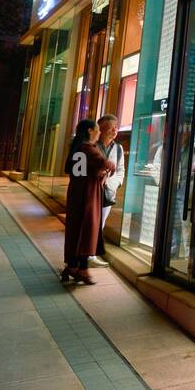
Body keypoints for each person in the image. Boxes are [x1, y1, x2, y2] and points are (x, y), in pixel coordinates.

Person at [61, 119, 115, 285]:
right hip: (88, 195)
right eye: (97, 130)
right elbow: (109, 165)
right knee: (88, 229)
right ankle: (83, 270)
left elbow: (70, 169)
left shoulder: (76, 147)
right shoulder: (89, 148)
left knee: (75, 229)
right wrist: (104, 170)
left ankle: (71, 266)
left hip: (76, 193)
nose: (99, 133)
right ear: (90, 131)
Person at [92, 114, 125, 268]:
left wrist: (114, 184)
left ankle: (91, 254)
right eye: (110, 127)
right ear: (101, 129)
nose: (114, 130)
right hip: (92, 191)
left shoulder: (118, 148)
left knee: (101, 223)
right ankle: (88, 254)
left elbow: (120, 171)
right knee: (91, 223)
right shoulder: (92, 145)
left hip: (108, 192)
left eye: (116, 127)